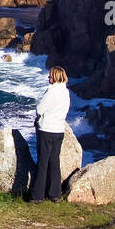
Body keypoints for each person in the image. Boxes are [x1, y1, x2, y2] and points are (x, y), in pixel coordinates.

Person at [31, 65, 71, 203]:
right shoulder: (66, 92)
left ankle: (37, 196)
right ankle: (55, 194)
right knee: (54, 162)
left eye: (50, 76)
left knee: (43, 163)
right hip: (59, 130)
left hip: (46, 130)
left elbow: (40, 109)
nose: (49, 78)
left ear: (55, 77)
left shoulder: (52, 91)